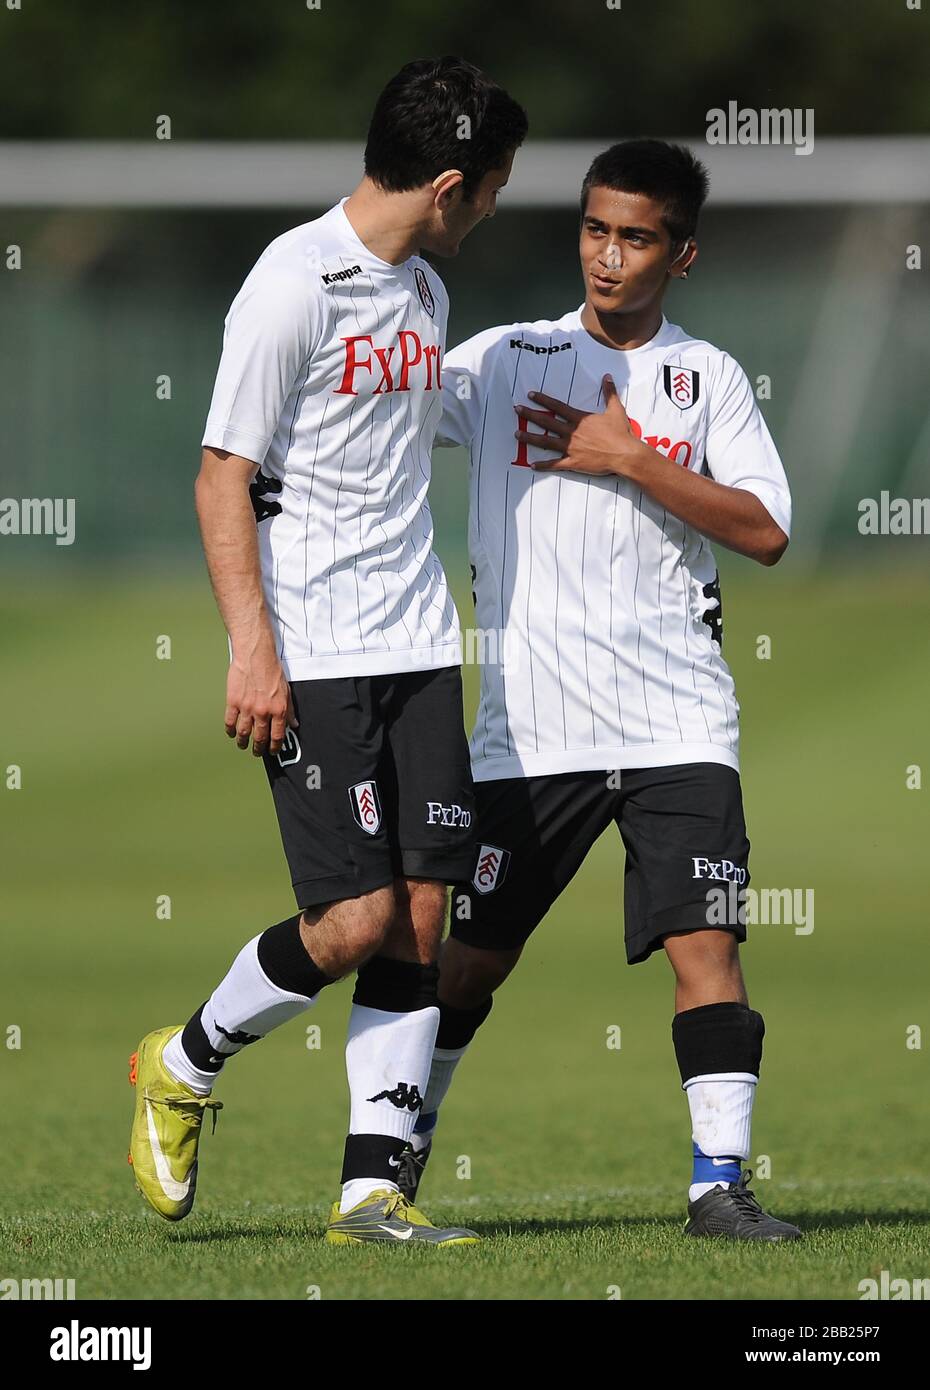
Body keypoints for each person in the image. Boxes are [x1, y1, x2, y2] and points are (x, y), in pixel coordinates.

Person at [128, 56, 527, 1247]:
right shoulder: (291, 283)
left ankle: (373, 1192)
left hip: (417, 644)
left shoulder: (426, 294)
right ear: (450, 185)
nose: (495, 210)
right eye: (494, 189)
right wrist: (253, 647)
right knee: (352, 923)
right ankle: (182, 1061)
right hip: (315, 651)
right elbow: (221, 475)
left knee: (419, 911)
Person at [401, 139, 801, 1241]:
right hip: (530, 733)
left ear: (683, 255)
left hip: (680, 720)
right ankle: (393, 1163)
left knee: (708, 946)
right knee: (470, 960)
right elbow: (383, 414)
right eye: (594, 228)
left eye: (635, 237)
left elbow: (765, 529)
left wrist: (628, 457)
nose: (608, 255)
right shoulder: (505, 360)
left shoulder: (706, 379)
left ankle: (719, 1186)